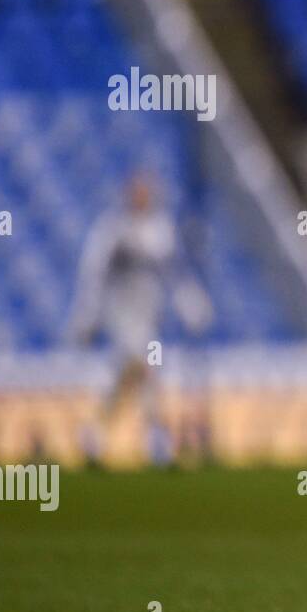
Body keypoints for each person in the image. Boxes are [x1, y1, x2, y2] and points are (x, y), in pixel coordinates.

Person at [68, 174, 213, 466]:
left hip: (149, 317)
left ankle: (98, 433)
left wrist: (191, 304)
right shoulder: (112, 230)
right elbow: (93, 274)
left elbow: (174, 273)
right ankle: (156, 438)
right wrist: (86, 315)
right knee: (145, 366)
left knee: (135, 374)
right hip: (121, 315)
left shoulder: (161, 231)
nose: (142, 197)